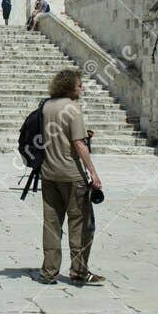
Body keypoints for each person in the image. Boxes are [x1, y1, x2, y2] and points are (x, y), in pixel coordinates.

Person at [36, 68, 104, 286]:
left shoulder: (46, 106)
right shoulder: (73, 108)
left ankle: (48, 272)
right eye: (79, 85)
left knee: (51, 224)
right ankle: (79, 271)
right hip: (72, 175)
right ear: (70, 87)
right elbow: (78, 143)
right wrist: (93, 173)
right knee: (80, 225)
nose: (82, 88)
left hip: (48, 173)